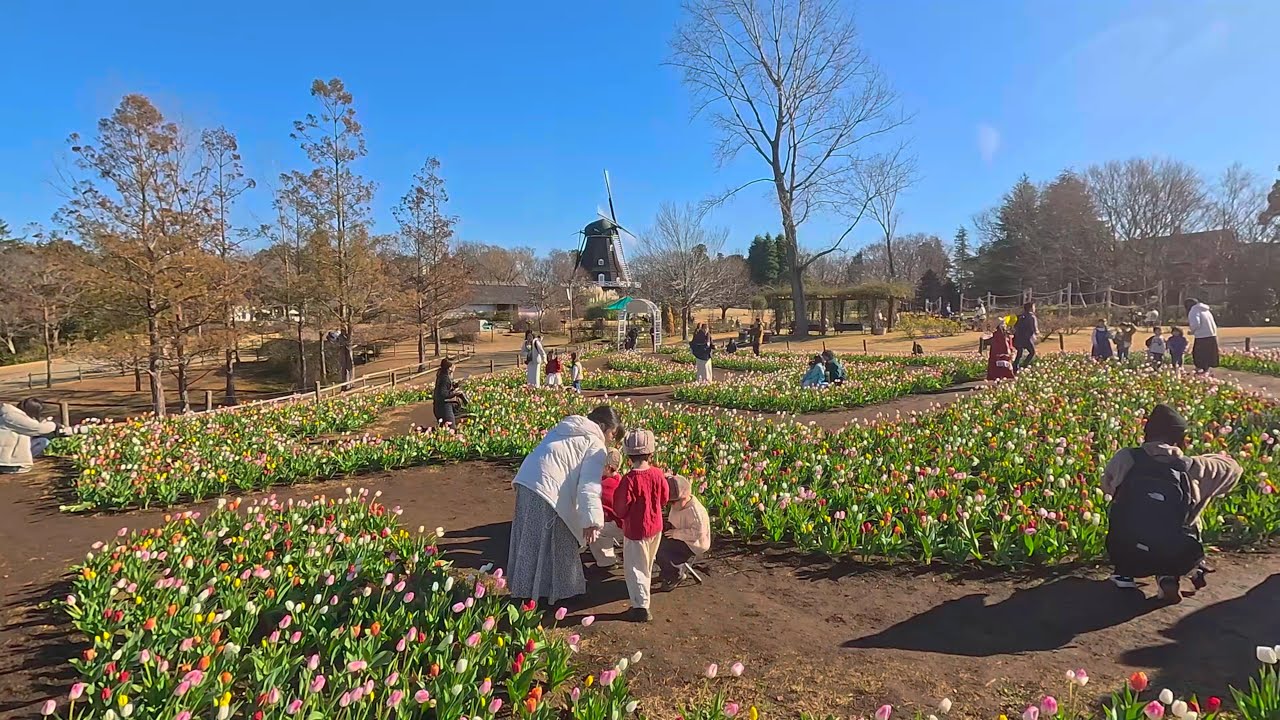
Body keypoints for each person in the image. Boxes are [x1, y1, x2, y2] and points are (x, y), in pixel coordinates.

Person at [1103, 404, 1242, 603]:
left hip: (1126, 545)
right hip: (1172, 550)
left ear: (1146, 434)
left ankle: (1124, 574)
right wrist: (1205, 459)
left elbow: (1107, 486)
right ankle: (1168, 576)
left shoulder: (1126, 457)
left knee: (1124, 515)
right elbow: (1234, 469)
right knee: (1188, 517)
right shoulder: (1194, 467)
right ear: (1181, 439)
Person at [508, 405, 624, 605]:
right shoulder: (595, 443)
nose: (611, 439)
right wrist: (592, 521)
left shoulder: (565, 428)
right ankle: (561, 593)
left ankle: (528, 590)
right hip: (548, 490)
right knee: (559, 539)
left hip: (527, 481)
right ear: (603, 426)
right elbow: (589, 485)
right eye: (612, 433)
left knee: (530, 539)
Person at [612, 429, 670, 622]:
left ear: (628, 456)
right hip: (655, 526)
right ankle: (643, 597)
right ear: (651, 453)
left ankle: (640, 608)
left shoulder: (628, 480)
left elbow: (620, 509)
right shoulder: (657, 474)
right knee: (647, 562)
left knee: (636, 568)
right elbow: (664, 498)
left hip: (636, 530)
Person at [657, 474, 710, 590]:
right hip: (679, 534)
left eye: (673, 502)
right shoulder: (679, 505)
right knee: (655, 543)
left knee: (661, 550)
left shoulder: (695, 512)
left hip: (693, 543)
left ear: (684, 497)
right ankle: (667, 570)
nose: (671, 505)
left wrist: (676, 534)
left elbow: (697, 533)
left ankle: (676, 574)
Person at [587, 448, 626, 568]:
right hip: (624, 523)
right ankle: (608, 558)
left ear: (608, 468)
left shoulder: (605, 486)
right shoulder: (619, 479)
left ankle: (606, 561)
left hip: (621, 526)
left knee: (593, 528)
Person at [0, 399, 60, 474]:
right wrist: (54, 425)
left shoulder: (10, 413)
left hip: (4, 456)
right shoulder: (12, 417)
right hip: (6, 462)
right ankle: (17, 462)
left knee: (42, 440)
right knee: (43, 441)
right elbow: (38, 428)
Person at [1185, 298, 1220, 375]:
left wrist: (1192, 331)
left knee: (1199, 353)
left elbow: (1196, 323)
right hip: (1211, 334)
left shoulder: (1194, 310)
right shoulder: (1206, 310)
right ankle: (1206, 368)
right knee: (1208, 353)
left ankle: (1200, 368)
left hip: (1202, 336)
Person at [432, 359, 464, 427]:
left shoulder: (444, 375)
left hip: (440, 405)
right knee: (451, 428)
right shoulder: (444, 378)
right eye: (454, 365)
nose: (455, 367)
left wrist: (456, 385)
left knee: (444, 428)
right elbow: (443, 394)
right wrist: (455, 392)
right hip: (444, 407)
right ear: (450, 368)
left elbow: (447, 387)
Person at [1012, 302, 1039, 371]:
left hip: (1018, 337)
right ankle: (1024, 365)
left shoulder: (1020, 316)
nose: (1034, 308)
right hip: (1027, 338)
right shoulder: (1032, 317)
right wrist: (1037, 333)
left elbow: (1015, 326)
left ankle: (1015, 365)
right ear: (1030, 308)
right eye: (1033, 307)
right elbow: (1034, 328)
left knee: (1019, 352)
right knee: (1032, 352)